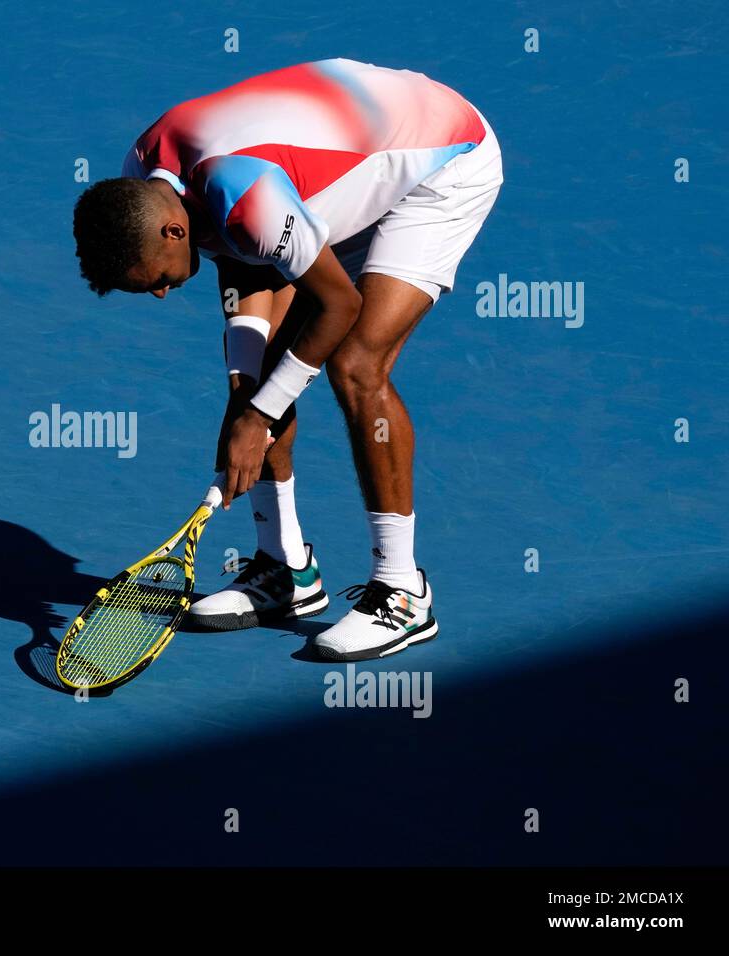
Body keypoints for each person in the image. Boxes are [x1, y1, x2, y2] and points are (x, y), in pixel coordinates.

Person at [71, 59, 502, 660]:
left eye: (157, 281)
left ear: (172, 234)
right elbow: (235, 255)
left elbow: (338, 305)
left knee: (355, 364)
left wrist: (258, 414)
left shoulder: (243, 194)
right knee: (261, 380)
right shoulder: (143, 179)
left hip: (442, 157)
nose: (165, 293)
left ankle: (403, 591)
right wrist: (245, 391)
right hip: (328, 166)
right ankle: (286, 571)